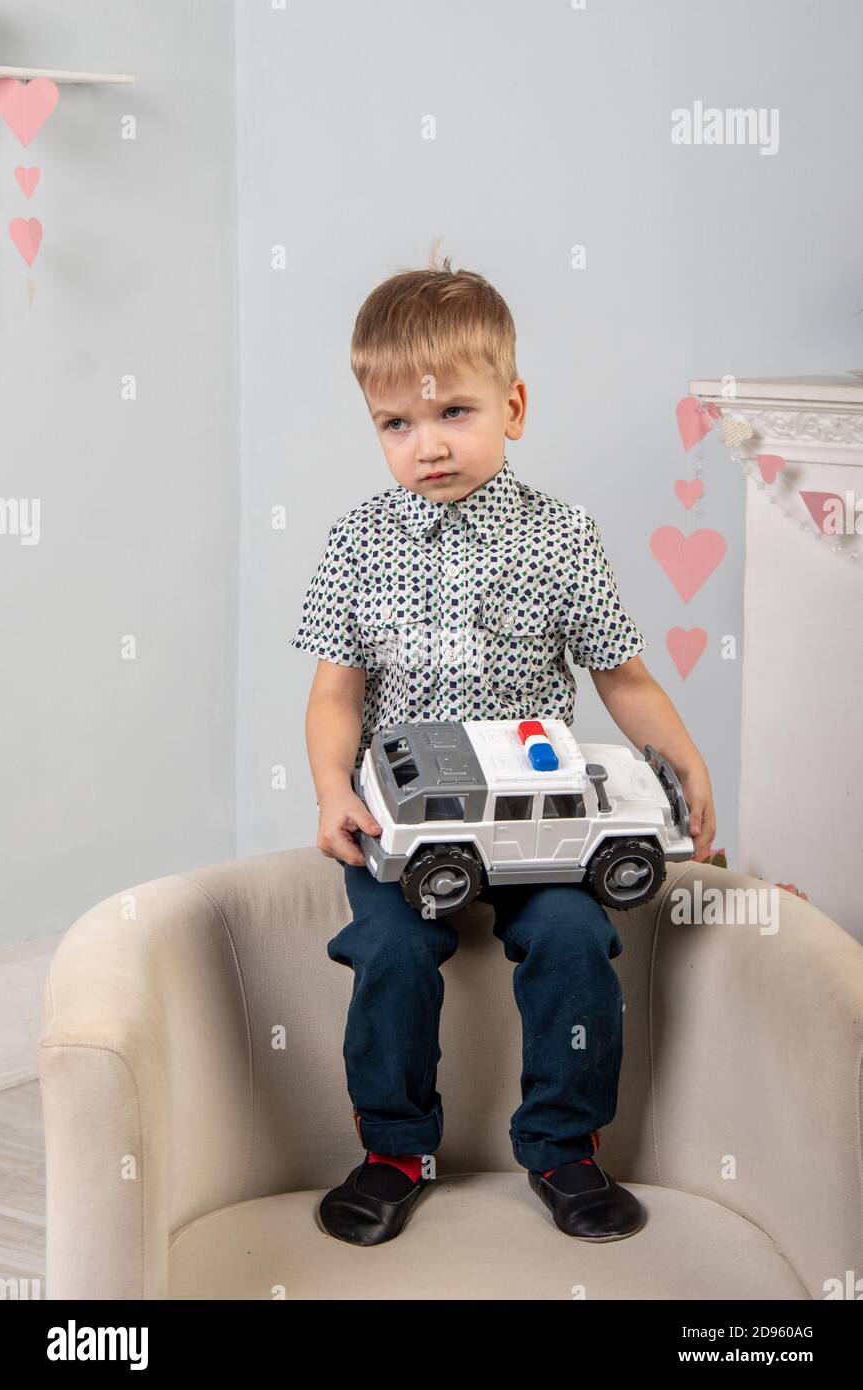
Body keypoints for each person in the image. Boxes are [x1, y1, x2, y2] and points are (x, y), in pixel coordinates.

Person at [289, 248, 716, 1247]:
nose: (425, 444)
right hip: (411, 822)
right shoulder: (355, 541)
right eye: (396, 423)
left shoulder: (563, 538)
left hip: (534, 819)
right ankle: (394, 1148)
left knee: (572, 940)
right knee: (390, 946)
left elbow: (622, 676)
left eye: (453, 413)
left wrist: (684, 762)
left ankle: (564, 1148)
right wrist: (327, 788)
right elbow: (332, 692)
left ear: (512, 406)